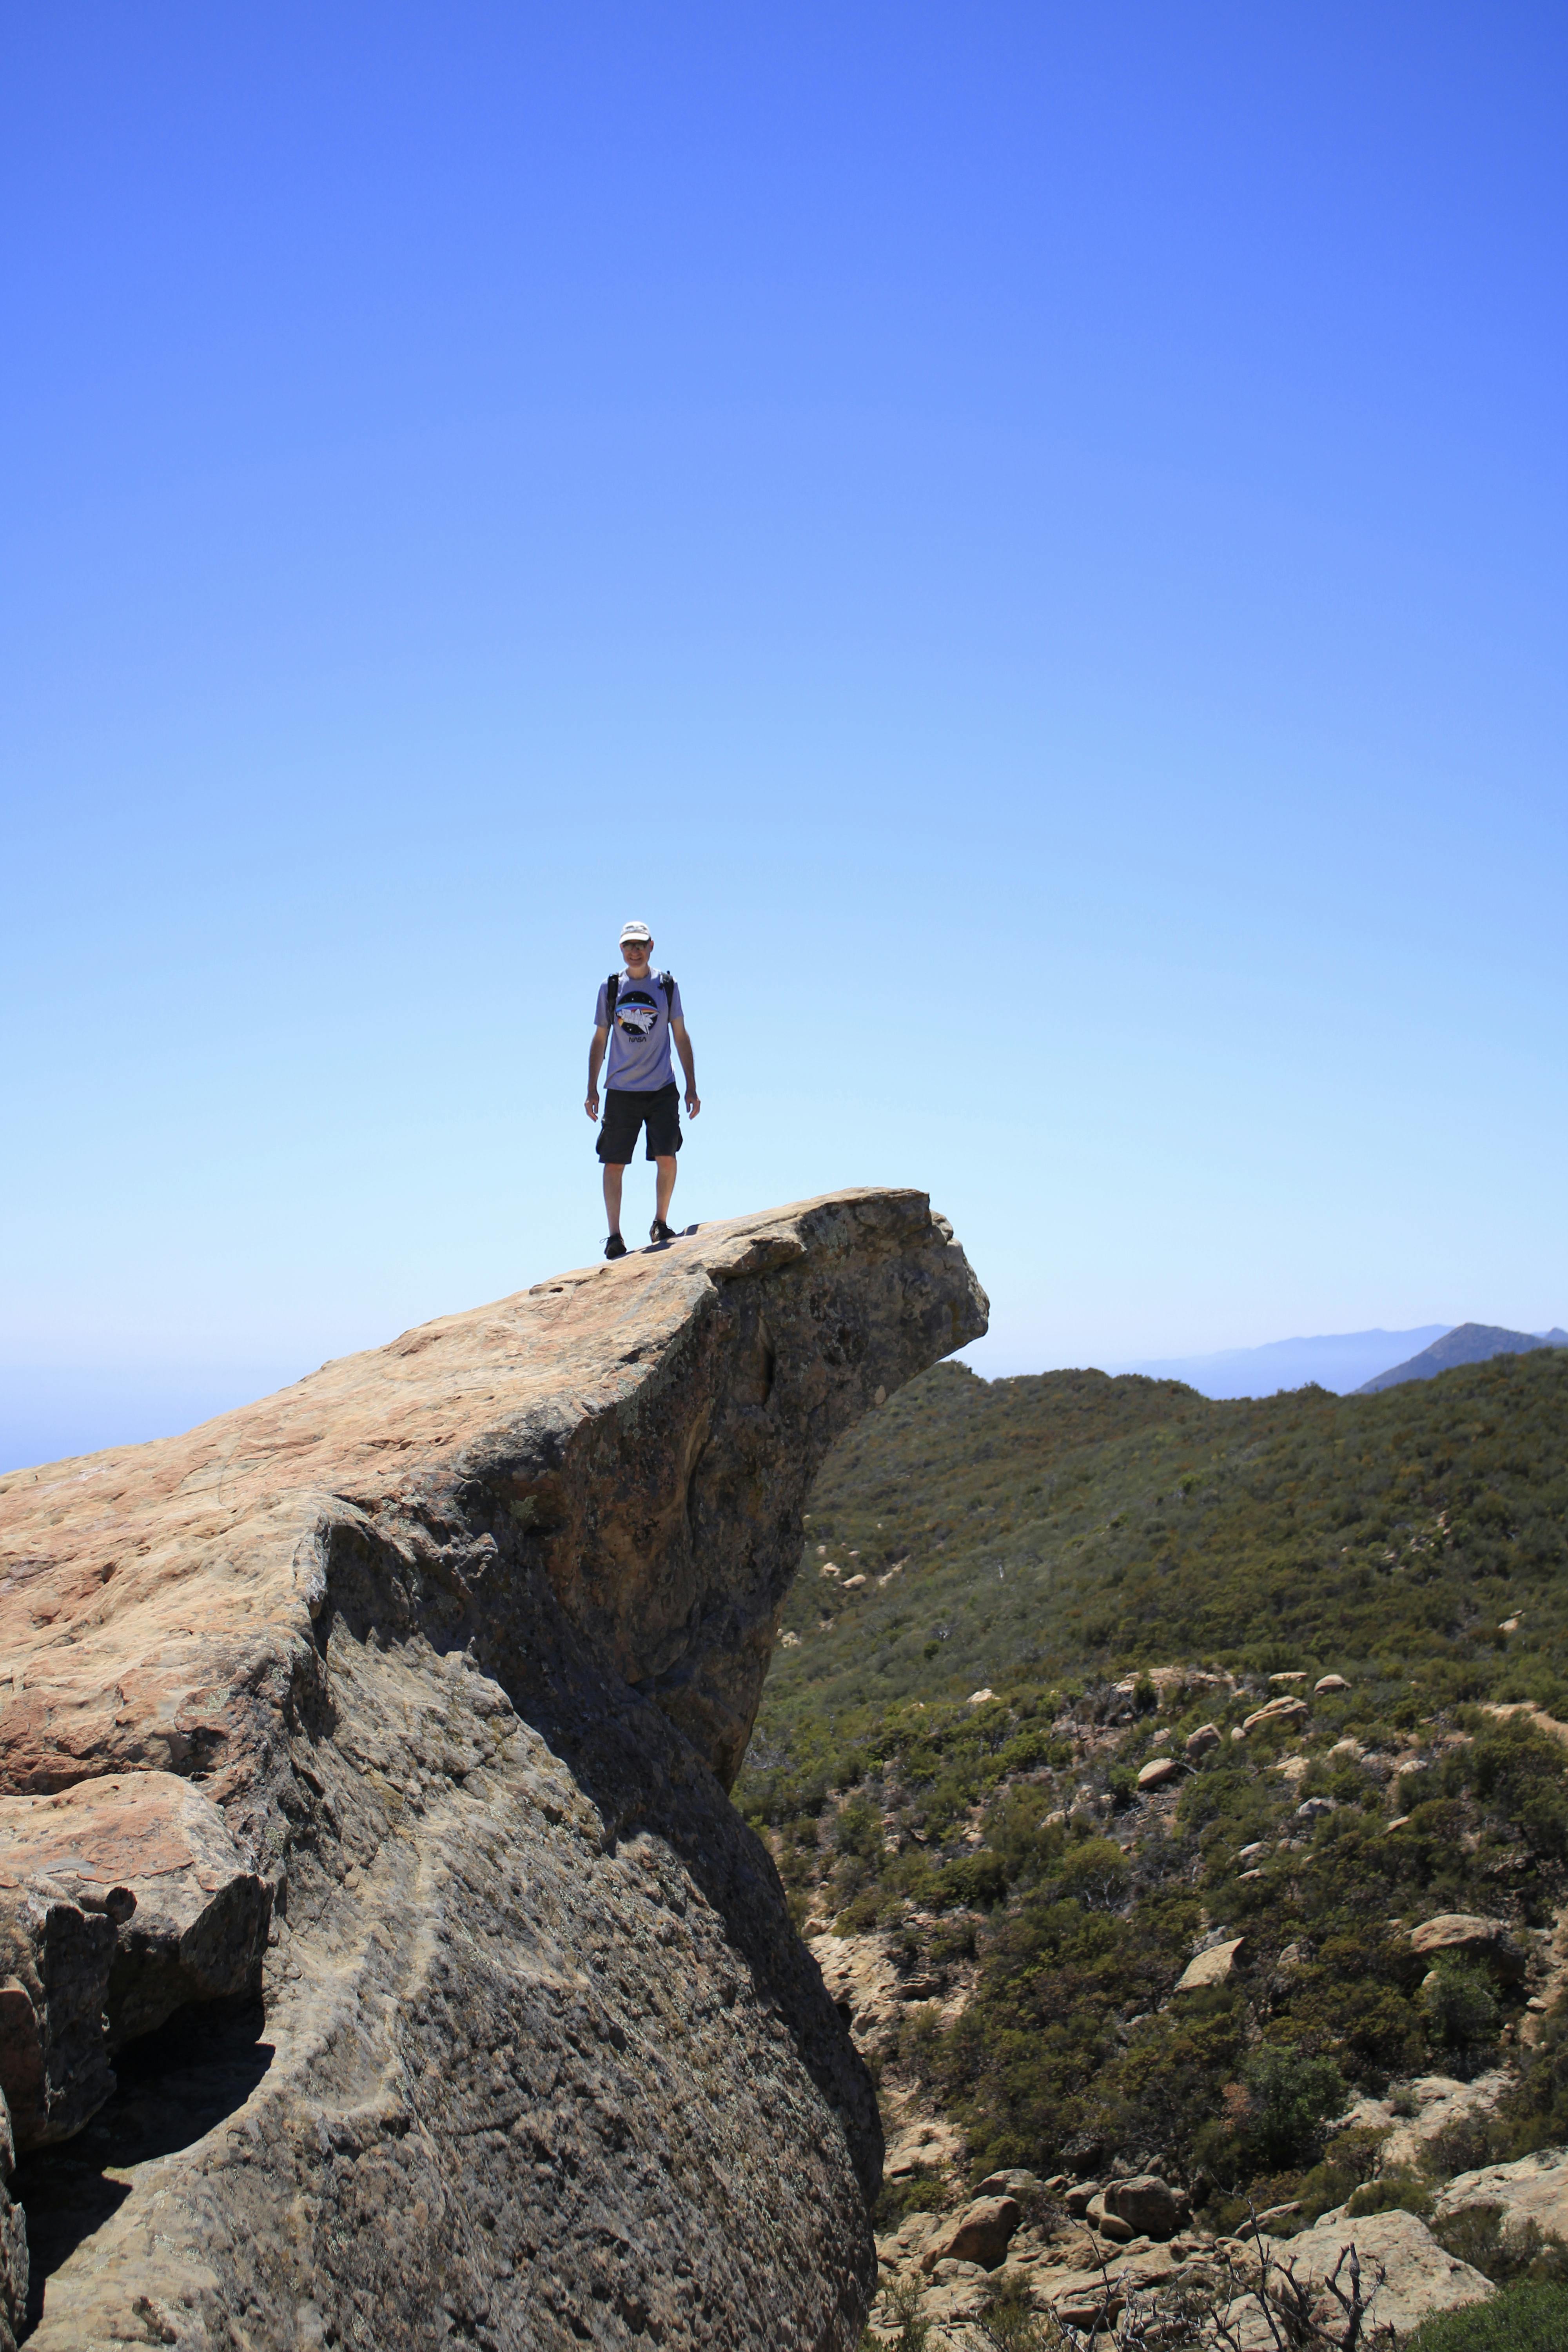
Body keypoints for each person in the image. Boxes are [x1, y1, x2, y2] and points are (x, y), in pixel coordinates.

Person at [586, 921, 701, 1259]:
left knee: (667, 1155)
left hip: (661, 1086)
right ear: (621, 950)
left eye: (640, 945)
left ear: (652, 946)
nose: (634, 951)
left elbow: (681, 1035)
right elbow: (599, 1039)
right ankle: (614, 1236)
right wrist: (592, 1089)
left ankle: (660, 1223)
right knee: (613, 1162)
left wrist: (692, 1086)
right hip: (621, 1090)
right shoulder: (610, 989)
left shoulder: (667, 986)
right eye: (627, 946)